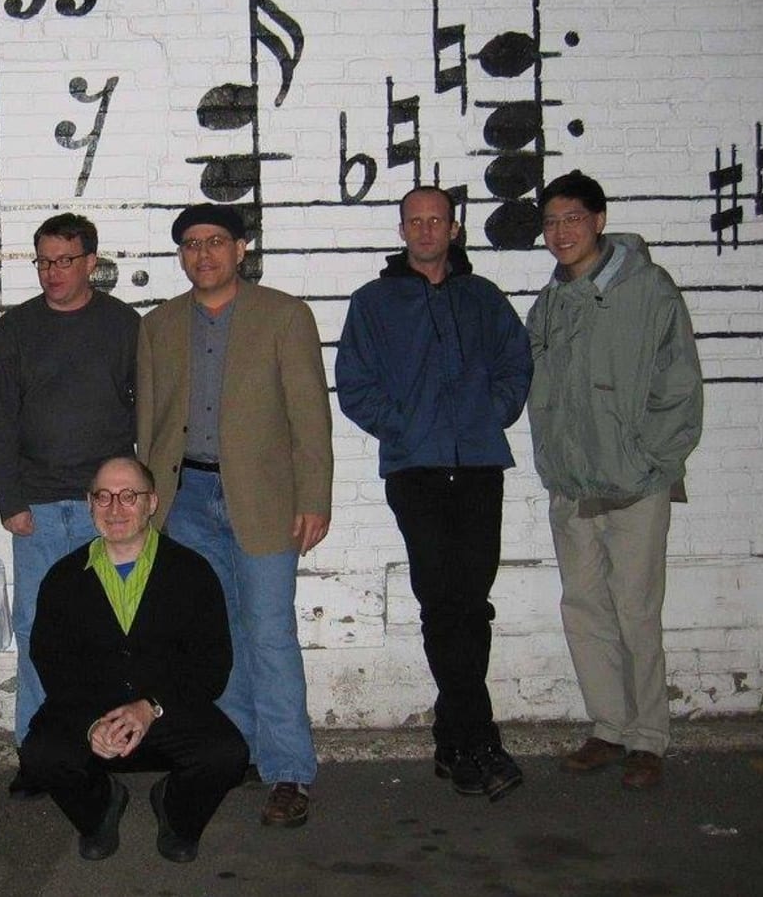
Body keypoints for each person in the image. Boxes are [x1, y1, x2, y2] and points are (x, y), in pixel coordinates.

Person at [136, 202, 333, 829]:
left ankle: (289, 770)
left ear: (240, 249)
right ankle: (241, 749)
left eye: (215, 242)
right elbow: (149, 428)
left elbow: (310, 417)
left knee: (270, 633)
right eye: (191, 245)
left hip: (265, 498)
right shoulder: (159, 325)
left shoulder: (284, 315)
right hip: (185, 499)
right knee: (215, 638)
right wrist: (147, 506)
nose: (203, 255)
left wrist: (315, 497)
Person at [335, 185, 533, 801]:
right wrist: (406, 427)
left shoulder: (483, 298)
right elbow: (354, 385)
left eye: (435, 221)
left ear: (454, 228)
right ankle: (480, 740)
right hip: (416, 472)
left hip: (478, 467)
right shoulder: (372, 302)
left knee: (469, 604)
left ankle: (454, 741)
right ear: (401, 230)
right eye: (414, 221)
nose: (424, 230)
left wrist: (488, 413)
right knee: (442, 602)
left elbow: (516, 363)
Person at [527, 171, 703, 791]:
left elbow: (679, 382)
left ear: (599, 221)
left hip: (635, 484)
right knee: (584, 609)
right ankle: (608, 727)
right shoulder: (549, 302)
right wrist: (552, 461)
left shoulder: (648, 288)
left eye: (572, 219)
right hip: (573, 486)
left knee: (636, 610)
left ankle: (648, 739)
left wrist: (650, 458)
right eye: (550, 222)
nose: (560, 232)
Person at [22, 457, 246, 863]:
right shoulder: (63, 578)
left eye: (129, 496)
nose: (115, 508)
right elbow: (52, 663)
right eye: (103, 497)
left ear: (152, 503)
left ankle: (176, 811)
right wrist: (91, 721)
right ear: (90, 505)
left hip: (165, 711)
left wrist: (151, 707)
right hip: (94, 713)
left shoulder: (192, 572)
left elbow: (213, 664)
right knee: (39, 753)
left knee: (227, 754)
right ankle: (101, 807)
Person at [0, 212, 140, 795]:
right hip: (41, 509)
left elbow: (144, 414)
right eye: (44, 261)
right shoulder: (16, 328)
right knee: (35, 630)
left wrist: (139, 502)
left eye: (65, 261)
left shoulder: (124, 325)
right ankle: (37, 753)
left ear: (91, 264)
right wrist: (10, 500)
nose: (53, 272)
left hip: (110, 510)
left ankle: (107, 747)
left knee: (110, 630)